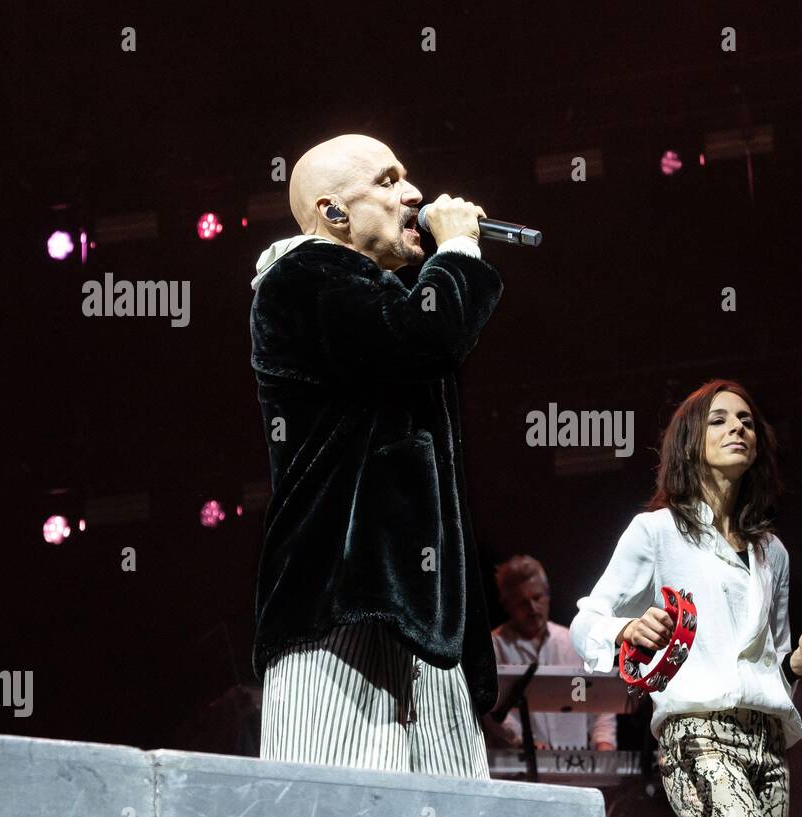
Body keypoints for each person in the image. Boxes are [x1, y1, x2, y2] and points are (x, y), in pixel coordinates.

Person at [249, 133, 503, 778]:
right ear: (334, 212)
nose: (414, 194)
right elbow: (427, 337)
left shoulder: (373, 292)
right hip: (341, 608)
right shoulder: (301, 277)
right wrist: (461, 249)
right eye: (388, 182)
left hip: (423, 621)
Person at [571, 379, 802, 817]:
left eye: (745, 421)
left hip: (767, 743)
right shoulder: (657, 532)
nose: (737, 427)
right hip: (699, 736)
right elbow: (586, 620)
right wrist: (626, 630)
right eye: (719, 420)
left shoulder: (771, 553)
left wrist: (798, 663)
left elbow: (767, 668)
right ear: (690, 444)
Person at [482, 555, 617, 751]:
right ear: (507, 605)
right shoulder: (494, 647)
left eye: (537, 598)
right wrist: (522, 740)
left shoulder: (575, 641)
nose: (532, 608)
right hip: (516, 769)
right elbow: (490, 707)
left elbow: (601, 699)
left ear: (548, 595)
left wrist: (603, 741)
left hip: (575, 767)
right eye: (522, 602)